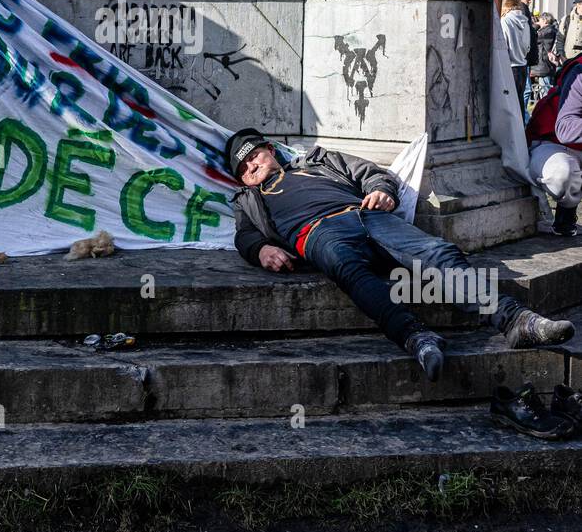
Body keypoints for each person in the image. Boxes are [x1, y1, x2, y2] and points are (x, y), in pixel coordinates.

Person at [227, 128, 574, 384]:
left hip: (366, 214)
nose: (251, 167)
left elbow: (372, 174)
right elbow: (245, 235)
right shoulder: (249, 201)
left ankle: (515, 321)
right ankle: (416, 337)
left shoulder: (321, 160)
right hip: (316, 233)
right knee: (350, 272)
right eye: (243, 168)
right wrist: (261, 249)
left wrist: (380, 191)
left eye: (253, 155)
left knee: (437, 251)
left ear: (269, 149)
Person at [528, 53, 582, 238]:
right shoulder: (579, 72)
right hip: (554, 145)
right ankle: (566, 212)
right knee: (562, 173)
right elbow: (565, 128)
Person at [501, 0, 530, 116]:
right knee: (519, 105)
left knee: (508, 107)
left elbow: (503, 46)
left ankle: (510, 135)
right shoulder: (525, 20)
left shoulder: (506, 20)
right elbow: (527, 46)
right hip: (522, 66)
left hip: (510, 67)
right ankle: (521, 134)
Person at [530, 11, 559, 97]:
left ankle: (548, 106)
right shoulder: (550, 30)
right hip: (545, 63)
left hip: (544, 64)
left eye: (540, 20)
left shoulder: (547, 31)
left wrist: (535, 26)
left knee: (545, 89)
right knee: (545, 87)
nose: (539, 22)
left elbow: (533, 37)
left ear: (545, 21)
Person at [555, 0, 582, 64]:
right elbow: (560, 39)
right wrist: (561, 55)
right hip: (567, 59)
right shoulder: (567, 19)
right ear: (578, 5)